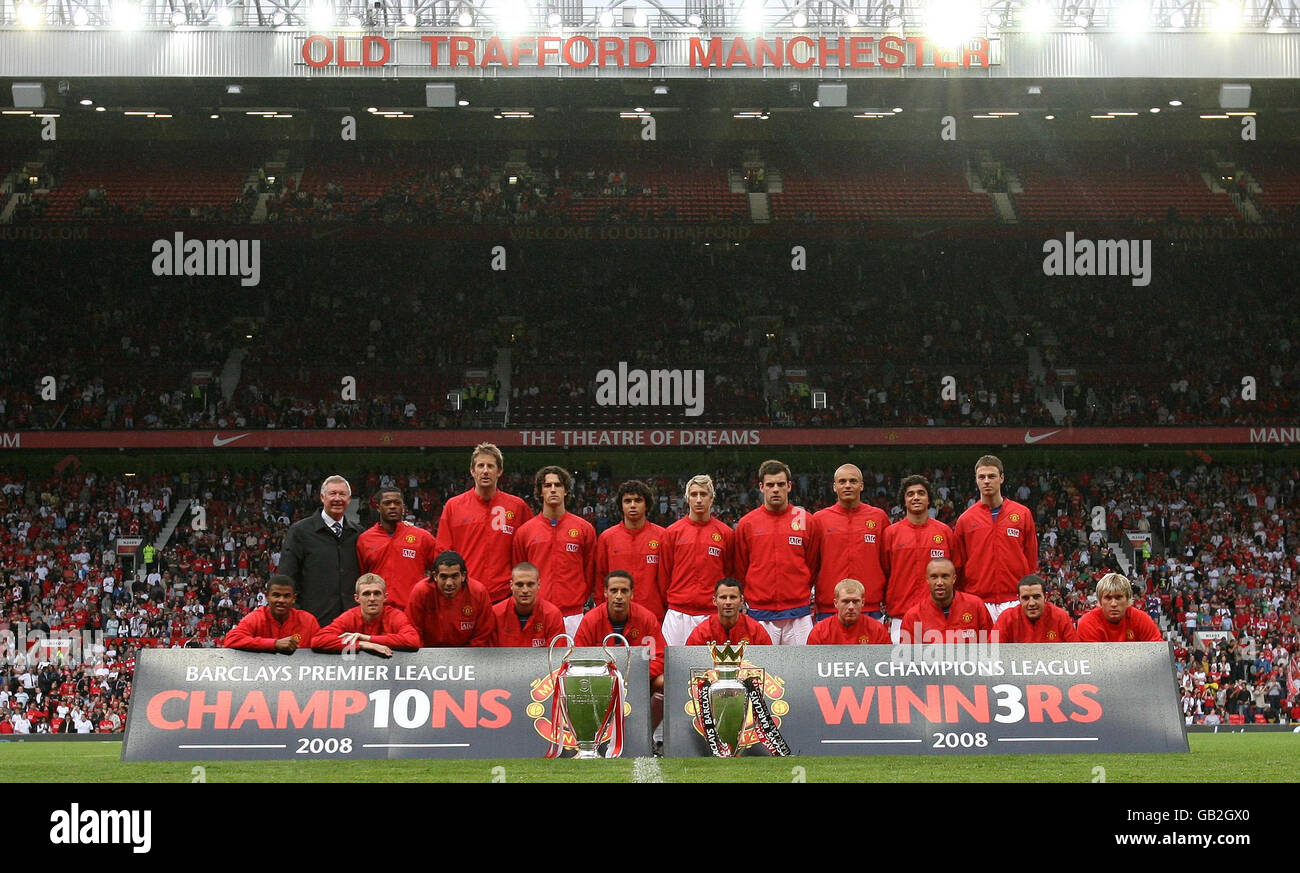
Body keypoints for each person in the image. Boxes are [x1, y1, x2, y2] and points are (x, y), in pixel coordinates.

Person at [733, 459, 821, 645]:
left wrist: (799, 589)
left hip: (798, 612)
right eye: (770, 485)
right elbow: (741, 567)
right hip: (759, 612)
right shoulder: (747, 523)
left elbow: (813, 563)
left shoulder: (804, 519)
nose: (775, 489)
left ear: (789, 486)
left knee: (802, 670)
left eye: (780, 484)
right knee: (758, 670)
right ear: (761, 486)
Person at [436, 443, 534, 603]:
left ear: (499, 471)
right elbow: (443, 552)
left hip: (506, 596)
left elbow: (531, 546)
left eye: (491, 466)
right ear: (472, 471)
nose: (485, 471)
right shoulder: (454, 506)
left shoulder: (517, 507)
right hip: (465, 595)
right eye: (480, 466)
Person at [574, 571, 666, 730]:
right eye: (613, 590)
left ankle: (646, 735)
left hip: (640, 681)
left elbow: (660, 657)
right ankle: (592, 734)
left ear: (632, 594)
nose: (618, 596)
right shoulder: (590, 620)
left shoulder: (646, 619)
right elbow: (578, 658)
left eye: (624, 591)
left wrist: (635, 674)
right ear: (605, 593)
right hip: (600, 683)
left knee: (663, 682)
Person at [512, 466, 597, 637]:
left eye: (558, 485)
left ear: (565, 490)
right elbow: (519, 572)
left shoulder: (584, 529)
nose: (553, 490)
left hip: (573, 616)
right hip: (536, 614)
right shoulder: (524, 532)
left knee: (573, 663)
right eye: (547, 485)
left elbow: (590, 571)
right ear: (540, 492)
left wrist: (576, 598)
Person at [952, 455, 1038, 622]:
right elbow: (959, 565)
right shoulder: (965, 520)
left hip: (1014, 599)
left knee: (1015, 649)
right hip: (978, 600)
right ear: (976, 480)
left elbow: (1030, 559)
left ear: (1002, 478)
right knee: (982, 649)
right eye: (981, 477)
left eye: (991, 476)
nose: (986, 481)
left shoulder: (1022, 514)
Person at [660, 474, 734, 647]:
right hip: (678, 613)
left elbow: (730, 573)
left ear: (712, 498)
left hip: (711, 612)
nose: (699, 499)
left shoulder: (726, 534)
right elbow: (664, 573)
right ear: (687, 498)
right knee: (672, 666)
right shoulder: (672, 533)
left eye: (703, 494)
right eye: (694, 495)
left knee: (711, 668)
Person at [279, 474, 362, 625]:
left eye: (342, 494)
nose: (337, 498)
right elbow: (287, 576)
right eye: (332, 493)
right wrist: (297, 613)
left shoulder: (359, 533)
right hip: (313, 621)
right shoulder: (300, 531)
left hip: (352, 622)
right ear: (322, 497)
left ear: (349, 500)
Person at [881, 475, 954, 642]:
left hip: (938, 615)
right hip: (901, 615)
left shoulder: (944, 532)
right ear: (904, 501)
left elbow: (955, 570)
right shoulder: (890, 534)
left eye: (921, 493)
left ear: (929, 500)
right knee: (902, 666)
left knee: (939, 666)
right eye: (910, 494)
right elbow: (885, 571)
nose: (916, 497)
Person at [813, 464, 889, 622]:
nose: (847, 485)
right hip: (829, 607)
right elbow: (812, 562)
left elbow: (887, 562)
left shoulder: (878, 518)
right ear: (834, 487)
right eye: (842, 481)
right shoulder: (819, 519)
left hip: (869, 606)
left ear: (861, 486)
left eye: (853, 481)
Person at [355, 486, 437, 612]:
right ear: (378, 507)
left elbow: (440, 571)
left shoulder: (422, 537)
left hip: (413, 611)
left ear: (403, 507)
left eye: (397, 503)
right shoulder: (365, 540)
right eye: (387, 503)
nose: (392, 506)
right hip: (377, 612)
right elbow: (361, 577)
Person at [596, 479, 667, 620]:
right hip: (616, 615)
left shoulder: (662, 536)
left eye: (638, 500)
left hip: (653, 615)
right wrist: (601, 609)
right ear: (621, 506)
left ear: (646, 505)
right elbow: (600, 578)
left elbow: (667, 579)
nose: (633, 505)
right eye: (627, 501)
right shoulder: (607, 538)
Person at [311, 573, 420, 656]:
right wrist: (362, 644)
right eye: (366, 594)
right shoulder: (349, 617)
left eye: (377, 593)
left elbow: (413, 641)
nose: (372, 599)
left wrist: (367, 638)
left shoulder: (395, 615)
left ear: (385, 597)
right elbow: (318, 641)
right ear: (357, 598)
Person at [405, 550, 496, 647]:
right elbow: (413, 631)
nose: (449, 583)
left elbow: (482, 635)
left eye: (454, 576)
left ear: (463, 576)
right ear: (435, 576)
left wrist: (466, 659)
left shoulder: (479, 592)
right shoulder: (421, 592)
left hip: (468, 654)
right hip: (428, 651)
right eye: (443, 577)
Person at [900, 558, 994, 644]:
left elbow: (991, 648)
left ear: (954, 579)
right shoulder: (914, 616)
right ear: (927, 580)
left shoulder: (976, 606)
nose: (939, 582)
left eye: (945, 576)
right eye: (934, 577)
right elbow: (908, 658)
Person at [222, 574, 321, 653]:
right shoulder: (257, 618)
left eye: (286, 596)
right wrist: (274, 644)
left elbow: (322, 646)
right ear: (267, 596)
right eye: (276, 595)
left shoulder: (308, 621)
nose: (281, 600)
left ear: (293, 599)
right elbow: (231, 640)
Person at [493, 562, 566, 647]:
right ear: (511, 585)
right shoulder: (495, 614)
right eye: (519, 585)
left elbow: (557, 656)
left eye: (530, 585)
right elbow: (489, 655)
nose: (525, 590)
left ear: (538, 585)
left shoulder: (552, 615)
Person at [1076, 572, 1163, 642]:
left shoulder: (1141, 619)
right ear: (1100, 600)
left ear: (1128, 599)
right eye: (1108, 598)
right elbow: (1093, 661)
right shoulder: (1088, 623)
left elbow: (1158, 654)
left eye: (1118, 598)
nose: (1113, 603)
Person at [686, 578, 773, 646]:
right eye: (723, 597)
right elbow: (689, 663)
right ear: (714, 601)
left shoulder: (756, 631)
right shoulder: (701, 632)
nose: (728, 602)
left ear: (742, 600)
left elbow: (769, 661)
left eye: (733, 597)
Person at [994, 574, 1079, 643]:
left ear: (1045, 597)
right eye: (1025, 598)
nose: (1031, 603)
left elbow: (1075, 653)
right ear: (1018, 598)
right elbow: (990, 654)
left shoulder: (1061, 617)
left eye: (1036, 597)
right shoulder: (1004, 618)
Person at [807, 579, 891, 645]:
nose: (851, 607)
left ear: (862, 602)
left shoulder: (878, 630)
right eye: (845, 601)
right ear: (836, 603)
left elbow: (887, 663)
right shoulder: (820, 632)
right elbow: (811, 663)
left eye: (855, 601)